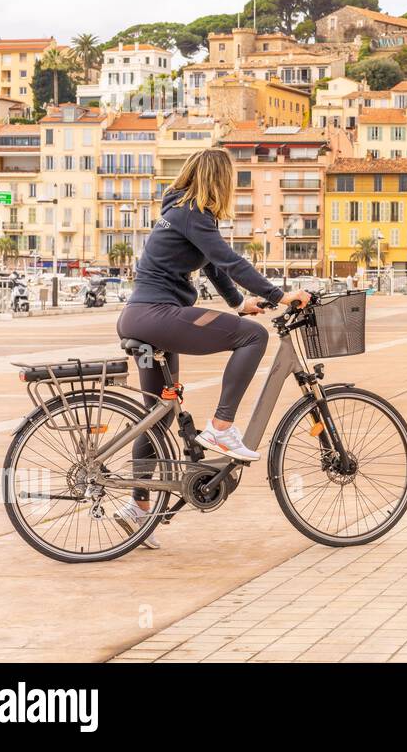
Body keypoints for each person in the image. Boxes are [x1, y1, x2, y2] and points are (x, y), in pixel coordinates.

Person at [114, 148, 312, 546]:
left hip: (141, 316)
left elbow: (212, 266)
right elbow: (231, 260)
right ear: (217, 182)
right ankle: (221, 428)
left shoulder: (180, 213)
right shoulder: (192, 215)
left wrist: (240, 304)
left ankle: (137, 507)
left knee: (158, 414)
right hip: (157, 315)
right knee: (252, 336)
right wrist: (281, 295)